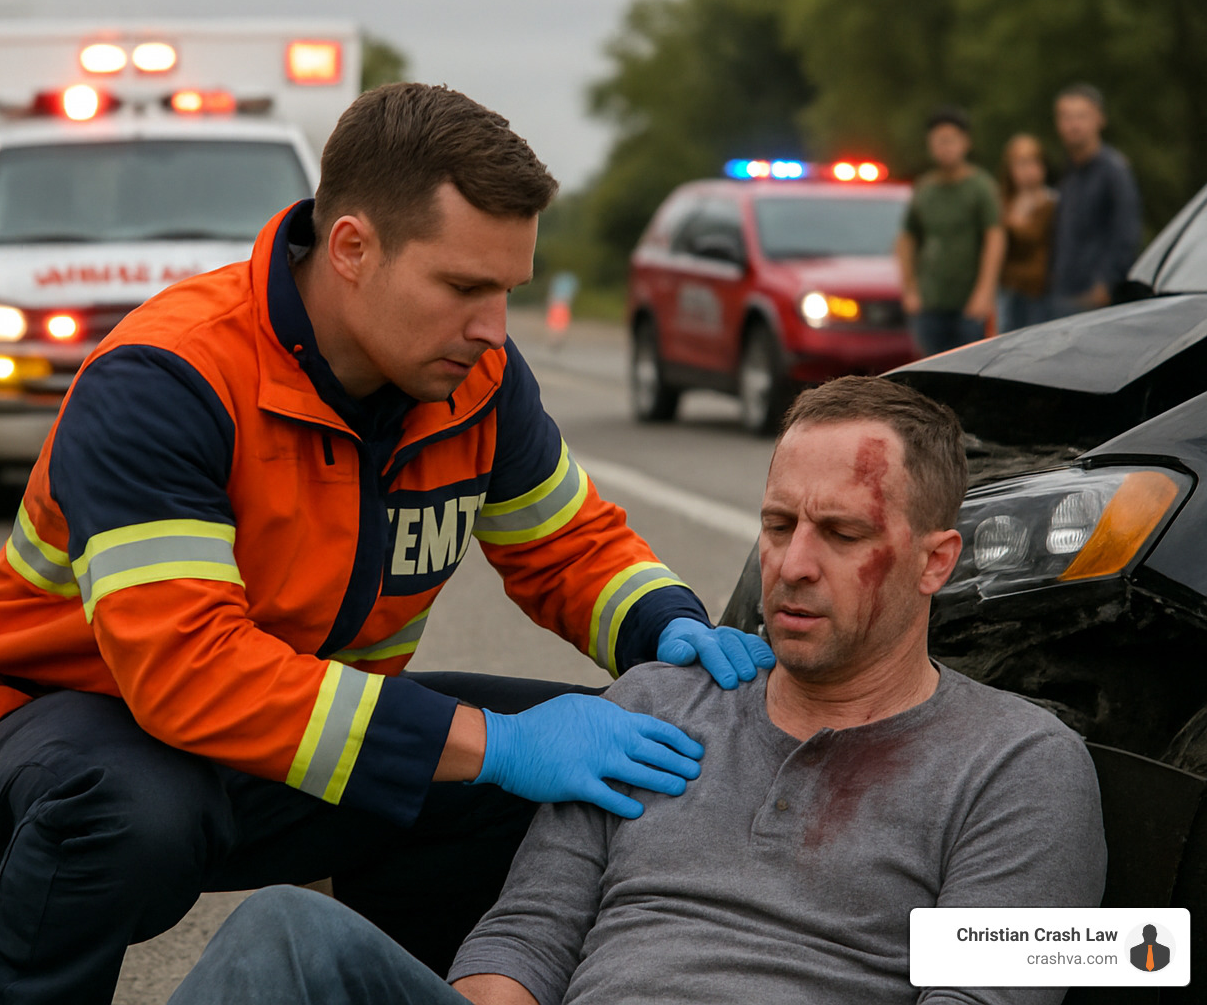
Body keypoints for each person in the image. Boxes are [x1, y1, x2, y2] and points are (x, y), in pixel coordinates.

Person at [0, 82, 774, 1005]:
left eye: (508, 291)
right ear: (354, 248)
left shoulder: (476, 379)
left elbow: (569, 546)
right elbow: (188, 674)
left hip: (293, 738)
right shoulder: (168, 379)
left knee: (599, 775)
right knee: (134, 816)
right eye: (463, 287)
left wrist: (665, 623)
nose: (493, 329)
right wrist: (490, 743)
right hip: (55, 735)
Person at [169, 375, 1107, 1005]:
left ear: (937, 561)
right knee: (284, 930)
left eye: (843, 534)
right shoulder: (657, 708)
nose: (793, 565)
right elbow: (528, 940)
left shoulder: (1017, 765)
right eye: (778, 525)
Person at [896, 106, 1006, 355]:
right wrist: (910, 289)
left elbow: (994, 238)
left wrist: (984, 292)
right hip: (929, 302)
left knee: (970, 369)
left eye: (951, 140)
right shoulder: (924, 188)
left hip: (968, 304)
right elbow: (907, 238)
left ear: (965, 142)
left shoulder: (981, 187)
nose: (945, 147)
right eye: (938, 141)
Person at [1047, 83, 1142, 318]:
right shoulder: (1068, 172)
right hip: (1062, 292)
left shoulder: (1114, 171)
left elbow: (1126, 233)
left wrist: (1105, 284)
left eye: (1081, 116)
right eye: (1066, 117)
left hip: (1095, 299)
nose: (1073, 124)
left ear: (1100, 119)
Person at [996, 133, 1058, 333]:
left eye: (1032, 162)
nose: (1027, 170)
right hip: (1007, 290)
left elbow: (1032, 237)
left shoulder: (1052, 203)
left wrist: (1014, 224)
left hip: (1039, 292)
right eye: (1020, 163)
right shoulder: (1003, 202)